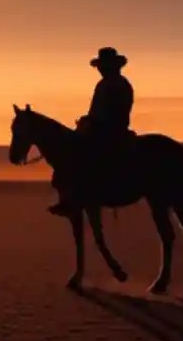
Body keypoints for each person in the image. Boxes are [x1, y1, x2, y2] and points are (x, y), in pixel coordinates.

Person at [48, 47, 135, 217]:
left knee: (77, 155)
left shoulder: (112, 85)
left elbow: (108, 111)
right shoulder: (117, 84)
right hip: (109, 127)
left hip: (109, 129)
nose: (101, 70)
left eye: (103, 66)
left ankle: (77, 196)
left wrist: (91, 121)